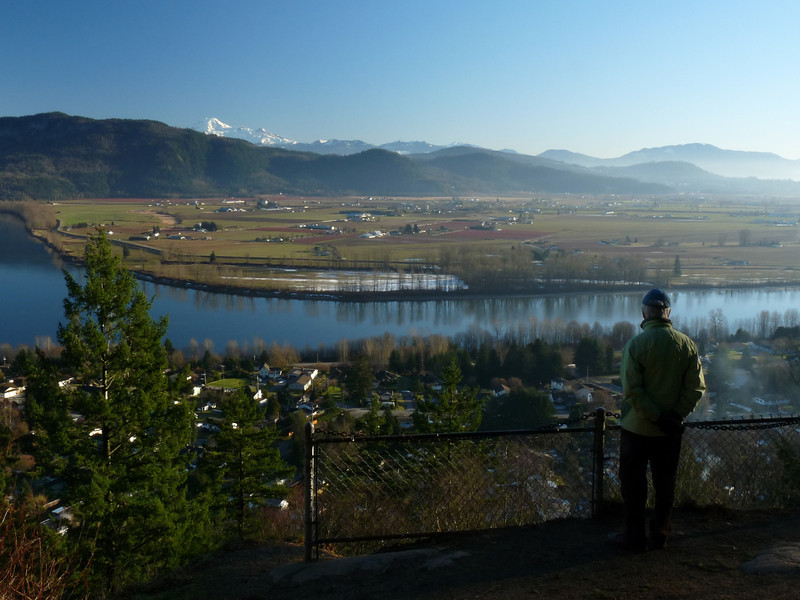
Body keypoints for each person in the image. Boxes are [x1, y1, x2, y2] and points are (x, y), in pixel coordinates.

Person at [609, 288, 706, 551]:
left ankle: (634, 536)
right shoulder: (687, 345)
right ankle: (660, 535)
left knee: (633, 485)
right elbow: (696, 388)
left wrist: (655, 416)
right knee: (665, 484)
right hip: (670, 432)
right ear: (668, 313)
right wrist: (673, 417)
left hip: (636, 429)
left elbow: (632, 392)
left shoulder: (635, 345)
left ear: (644, 314)